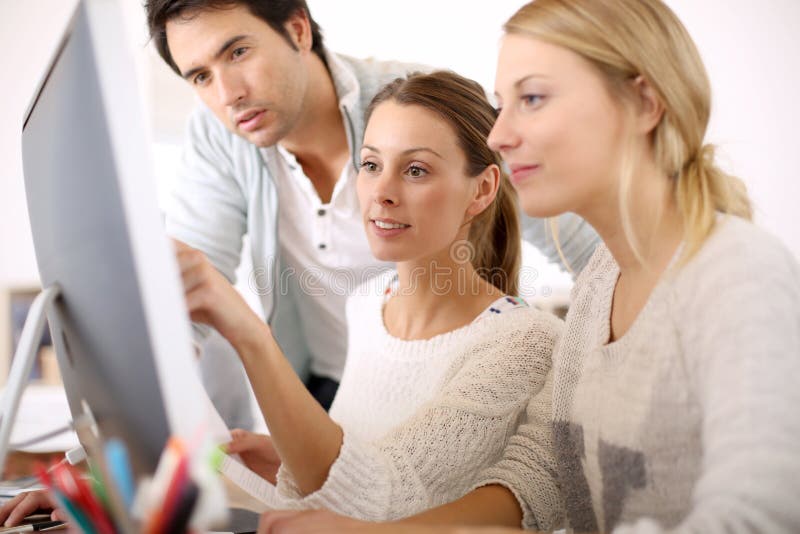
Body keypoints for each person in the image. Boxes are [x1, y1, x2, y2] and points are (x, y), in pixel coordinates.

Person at [250, 0, 800, 532]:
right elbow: (541, 476)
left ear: (643, 104)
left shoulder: (736, 274)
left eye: (532, 98)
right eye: (501, 103)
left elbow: (761, 518)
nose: (499, 135)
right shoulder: (599, 286)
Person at [0, 71, 563, 526]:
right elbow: (321, 498)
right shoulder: (368, 305)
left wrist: (248, 332)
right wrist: (112, 490)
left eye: (415, 169)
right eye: (370, 164)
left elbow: (378, 503)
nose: (381, 193)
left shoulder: (524, 343)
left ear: (483, 189)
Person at [145, 0, 598, 418]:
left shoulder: (415, 107)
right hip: (333, 393)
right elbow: (192, 279)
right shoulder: (219, 135)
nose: (228, 94)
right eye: (200, 76)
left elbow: (588, 251)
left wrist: (600, 387)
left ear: (297, 30)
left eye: (238, 52)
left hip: (452, 384)